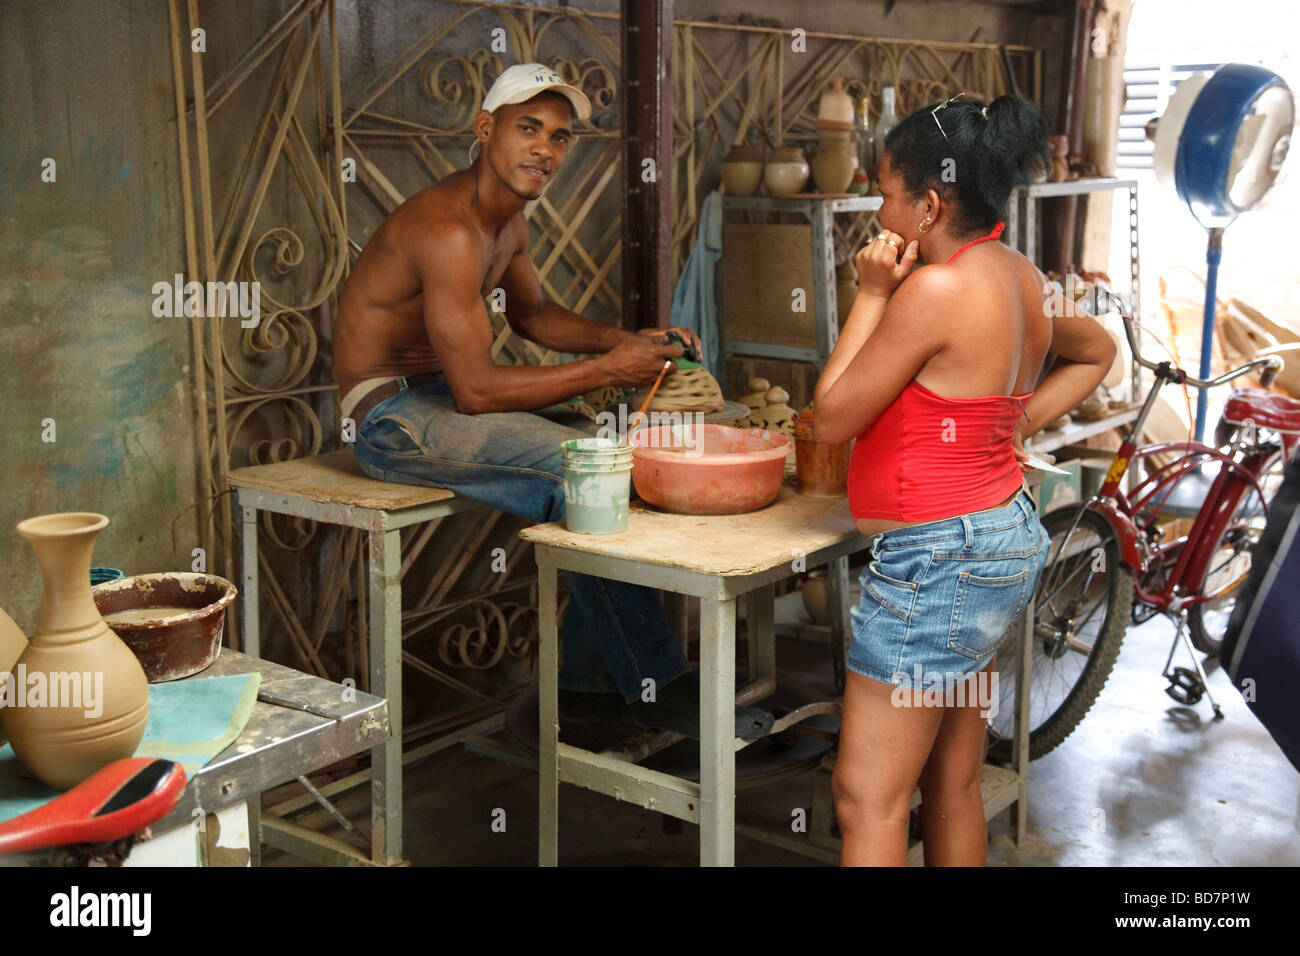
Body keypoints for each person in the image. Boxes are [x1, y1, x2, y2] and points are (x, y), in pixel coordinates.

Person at [333, 63, 773, 740]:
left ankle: (586, 693)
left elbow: (534, 315)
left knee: (611, 449)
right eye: (527, 128)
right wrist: (607, 366)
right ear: (486, 130)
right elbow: (479, 392)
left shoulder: (505, 223)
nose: (545, 148)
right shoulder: (448, 229)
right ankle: (656, 687)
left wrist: (631, 341)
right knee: (587, 469)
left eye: (560, 137)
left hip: (442, 399)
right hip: (391, 419)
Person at [813, 93, 1117, 865]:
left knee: (868, 799)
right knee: (951, 783)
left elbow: (831, 417)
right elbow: (1097, 351)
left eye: (886, 192)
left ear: (931, 201)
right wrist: (1014, 424)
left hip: (940, 564)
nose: (879, 210)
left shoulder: (932, 293)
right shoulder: (1020, 277)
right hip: (995, 542)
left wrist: (872, 294)